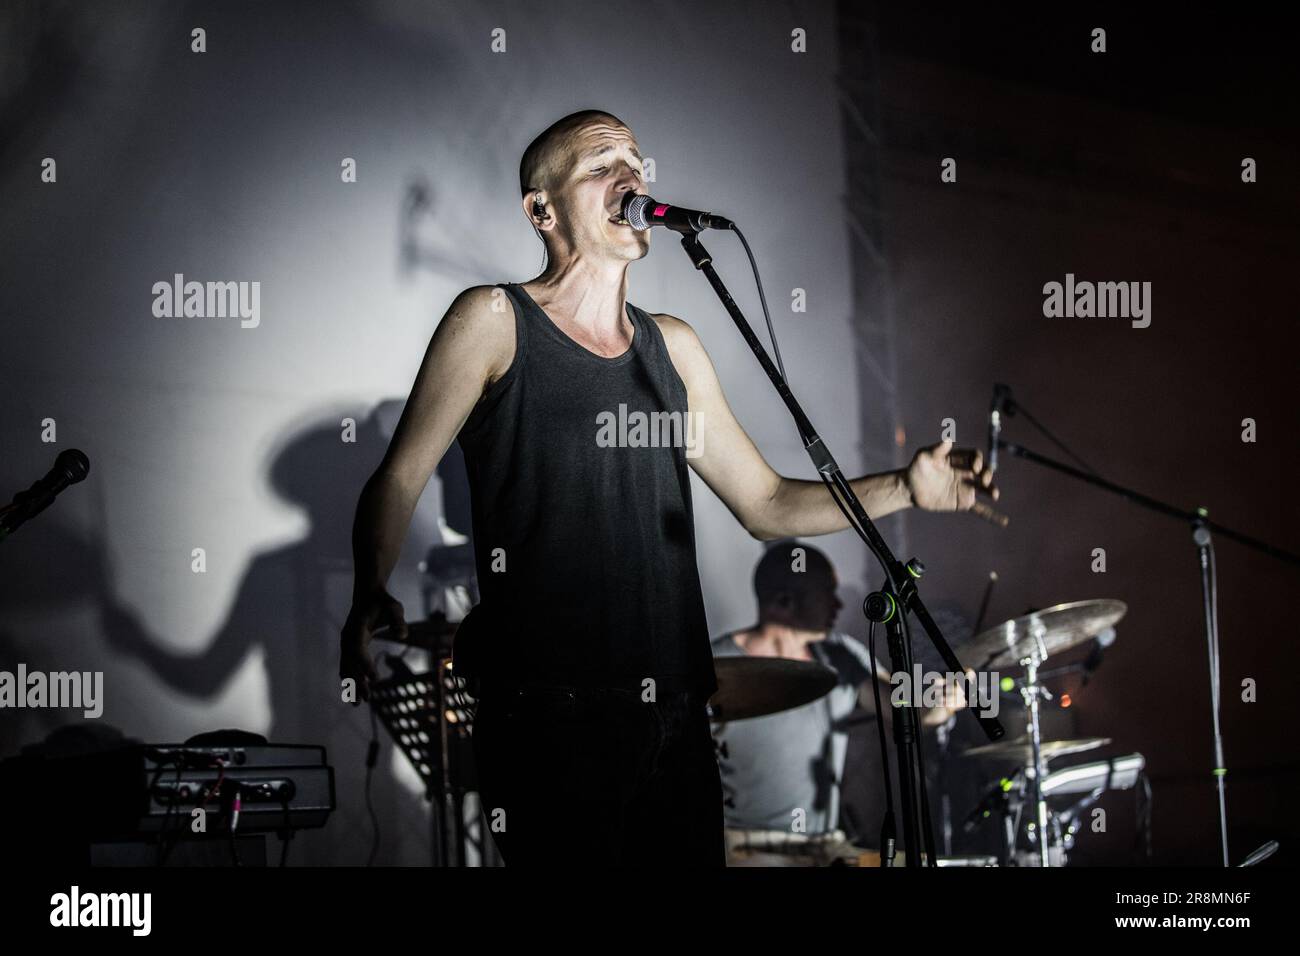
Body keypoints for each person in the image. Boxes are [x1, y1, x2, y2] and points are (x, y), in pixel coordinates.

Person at [338, 109, 999, 866]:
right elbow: (399, 476)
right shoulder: (494, 321)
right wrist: (368, 589)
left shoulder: (673, 347)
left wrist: (906, 486)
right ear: (542, 210)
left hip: (678, 718)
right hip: (551, 719)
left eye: (636, 159)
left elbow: (766, 505)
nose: (631, 174)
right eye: (601, 162)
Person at [713, 541, 965, 865]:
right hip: (746, 848)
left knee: (919, 864)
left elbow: (903, 707)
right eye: (826, 592)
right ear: (784, 600)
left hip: (825, 846)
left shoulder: (841, 655)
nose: (838, 604)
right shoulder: (715, 666)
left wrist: (939, 702)